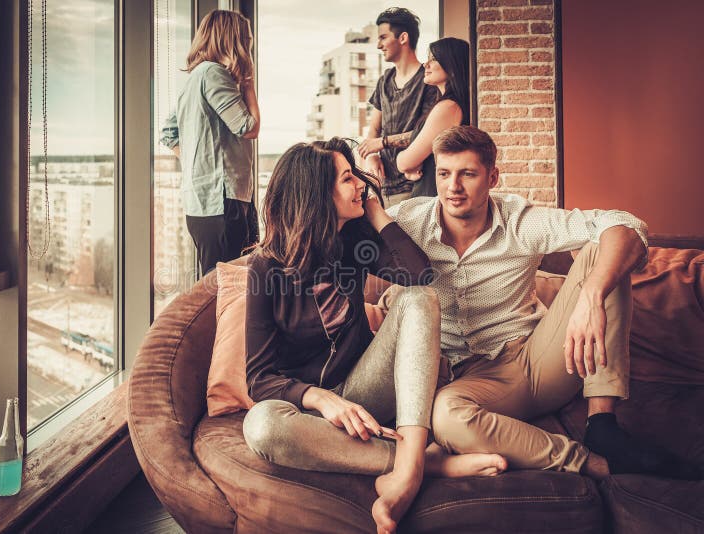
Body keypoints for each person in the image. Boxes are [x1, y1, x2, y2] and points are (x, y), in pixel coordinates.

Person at [387, 125, 702, 480]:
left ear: (492, 177)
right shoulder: (408, 221)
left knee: (603, 251)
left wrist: (592, 295)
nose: (453, 187)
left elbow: (625, 224)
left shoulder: (521, 222)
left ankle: (603, 426)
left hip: (534, 362)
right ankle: (591, 464)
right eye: (444, 174)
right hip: (465, 382)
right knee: (446, 415)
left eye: (468, 174)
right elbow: (345, 234)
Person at [241, 138, 507, 534]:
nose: (360, 186)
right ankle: (423, 462)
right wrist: (320, 398)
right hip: (312, 416)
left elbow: (419, 278)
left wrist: (379, 217)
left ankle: (410, 463)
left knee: (418, 300)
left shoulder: (353, 243)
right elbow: (258, 378)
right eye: (348, 179)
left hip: (366, 388)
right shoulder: (266, 269)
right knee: (261, 425)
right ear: (316, 193)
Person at [160, 10, 260, 276]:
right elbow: (248, 127)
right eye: (246, 40)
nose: (248, 48)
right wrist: (249, 84)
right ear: (232, 40)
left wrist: (198, 162)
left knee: (216, 284)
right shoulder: (215, 74)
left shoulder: (194, 78)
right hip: (222, 200)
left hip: (202, 202)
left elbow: (169, 133)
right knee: (227, 288)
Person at [357, 8, 438, 207]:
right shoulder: (384, 81)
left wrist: (381, 143)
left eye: (383, 37)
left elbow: (427, 135)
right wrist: (372, 155)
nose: (378, 45)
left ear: (403, 38)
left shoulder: (428, 81)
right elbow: (373, 130)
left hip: (415, 186)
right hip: (383, 186)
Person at [396, 37, 470, 197]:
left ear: (451, 66)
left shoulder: (448, 108)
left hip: (432, 198)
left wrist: (405, 163)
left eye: (433, 59)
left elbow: (404, 162)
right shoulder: (449, 105)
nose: (425, 64)